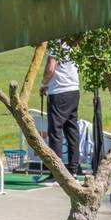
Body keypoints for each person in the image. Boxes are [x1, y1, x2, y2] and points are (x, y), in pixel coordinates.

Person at [40, 45, 81, 176]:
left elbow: (51, 68)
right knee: (71, 130)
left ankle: (57, 173)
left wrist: (44, 84)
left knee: (55, 132)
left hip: (59, 91)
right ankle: (73, 170)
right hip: (74, 90)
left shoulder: (56, 43)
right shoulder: (72, 41)